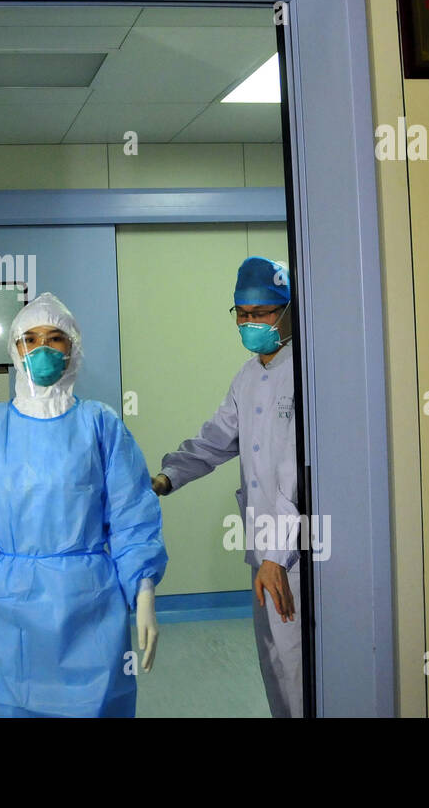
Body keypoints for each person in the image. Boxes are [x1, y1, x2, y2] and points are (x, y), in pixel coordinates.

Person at [0, 292, 167, 717]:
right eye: (30, 339)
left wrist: (144, 592)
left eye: (55, 338)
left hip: (90, 604)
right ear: (15, 350)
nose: (41, 349)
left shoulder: (100, 424)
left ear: (71, 348)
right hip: (7, 611)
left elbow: (132, 514)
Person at [152, 256, 302, 717]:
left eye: (261, 313)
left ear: (289, 311)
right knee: (273, 662)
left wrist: (277, 555)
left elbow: (299, 475)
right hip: (262, 551)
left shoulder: (308, 373)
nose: (250, 323)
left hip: (296, 555)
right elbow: (217, 439)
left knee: (298, 664)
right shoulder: (247, 376)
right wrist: (166, 477)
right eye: (242, 313)